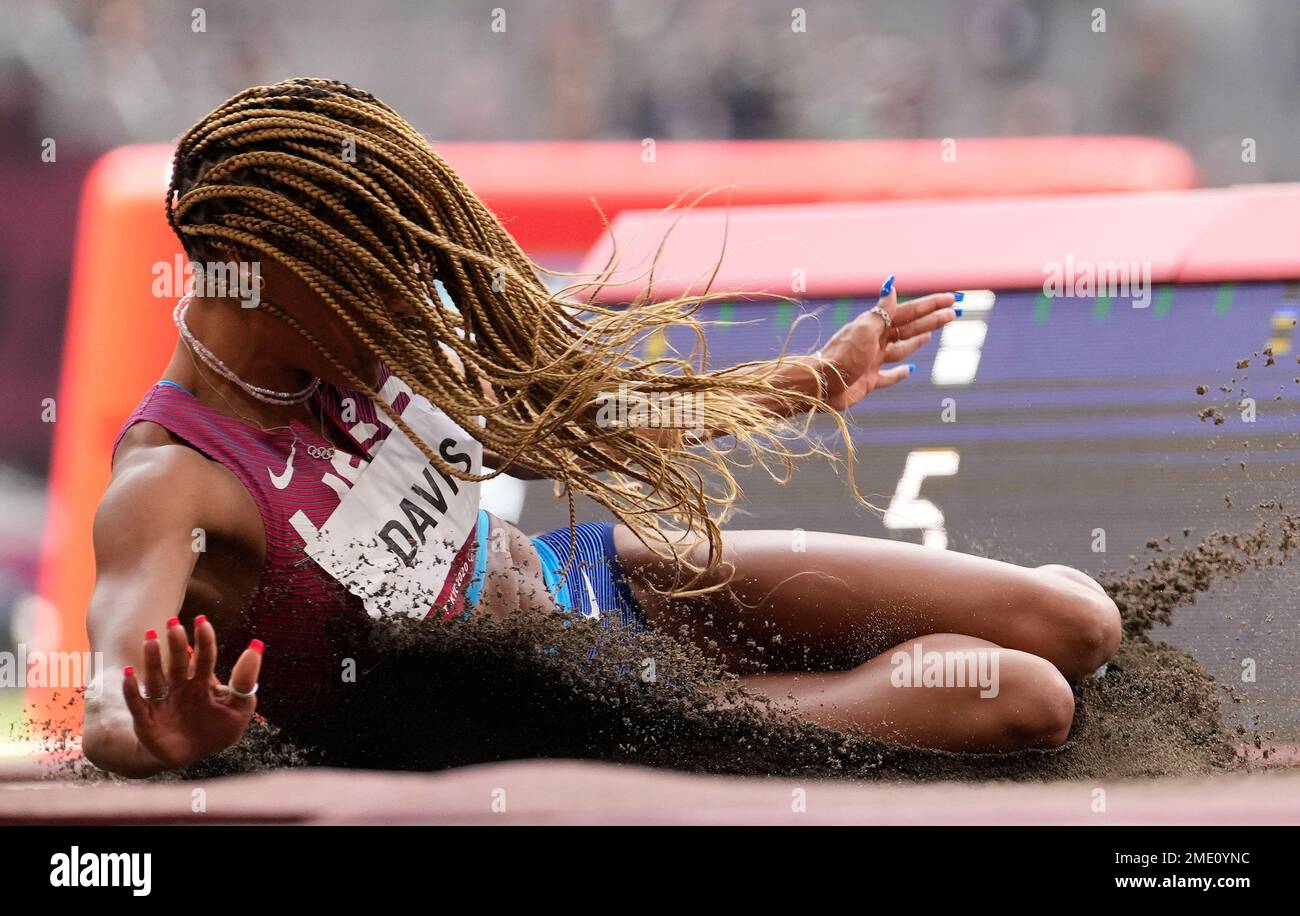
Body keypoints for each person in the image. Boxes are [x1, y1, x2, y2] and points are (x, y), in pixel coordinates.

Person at [81, 79, 1119, 777]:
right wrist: (162, 738)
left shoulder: (348, 353)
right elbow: (104, 709)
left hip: (596, 579)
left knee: (1076, 622)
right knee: (1021, 696)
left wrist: (797, 385)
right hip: (564, 712)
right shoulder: (172, 486)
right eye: (377, 273)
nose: (409, 298)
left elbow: (567, 425)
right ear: (258, 272)